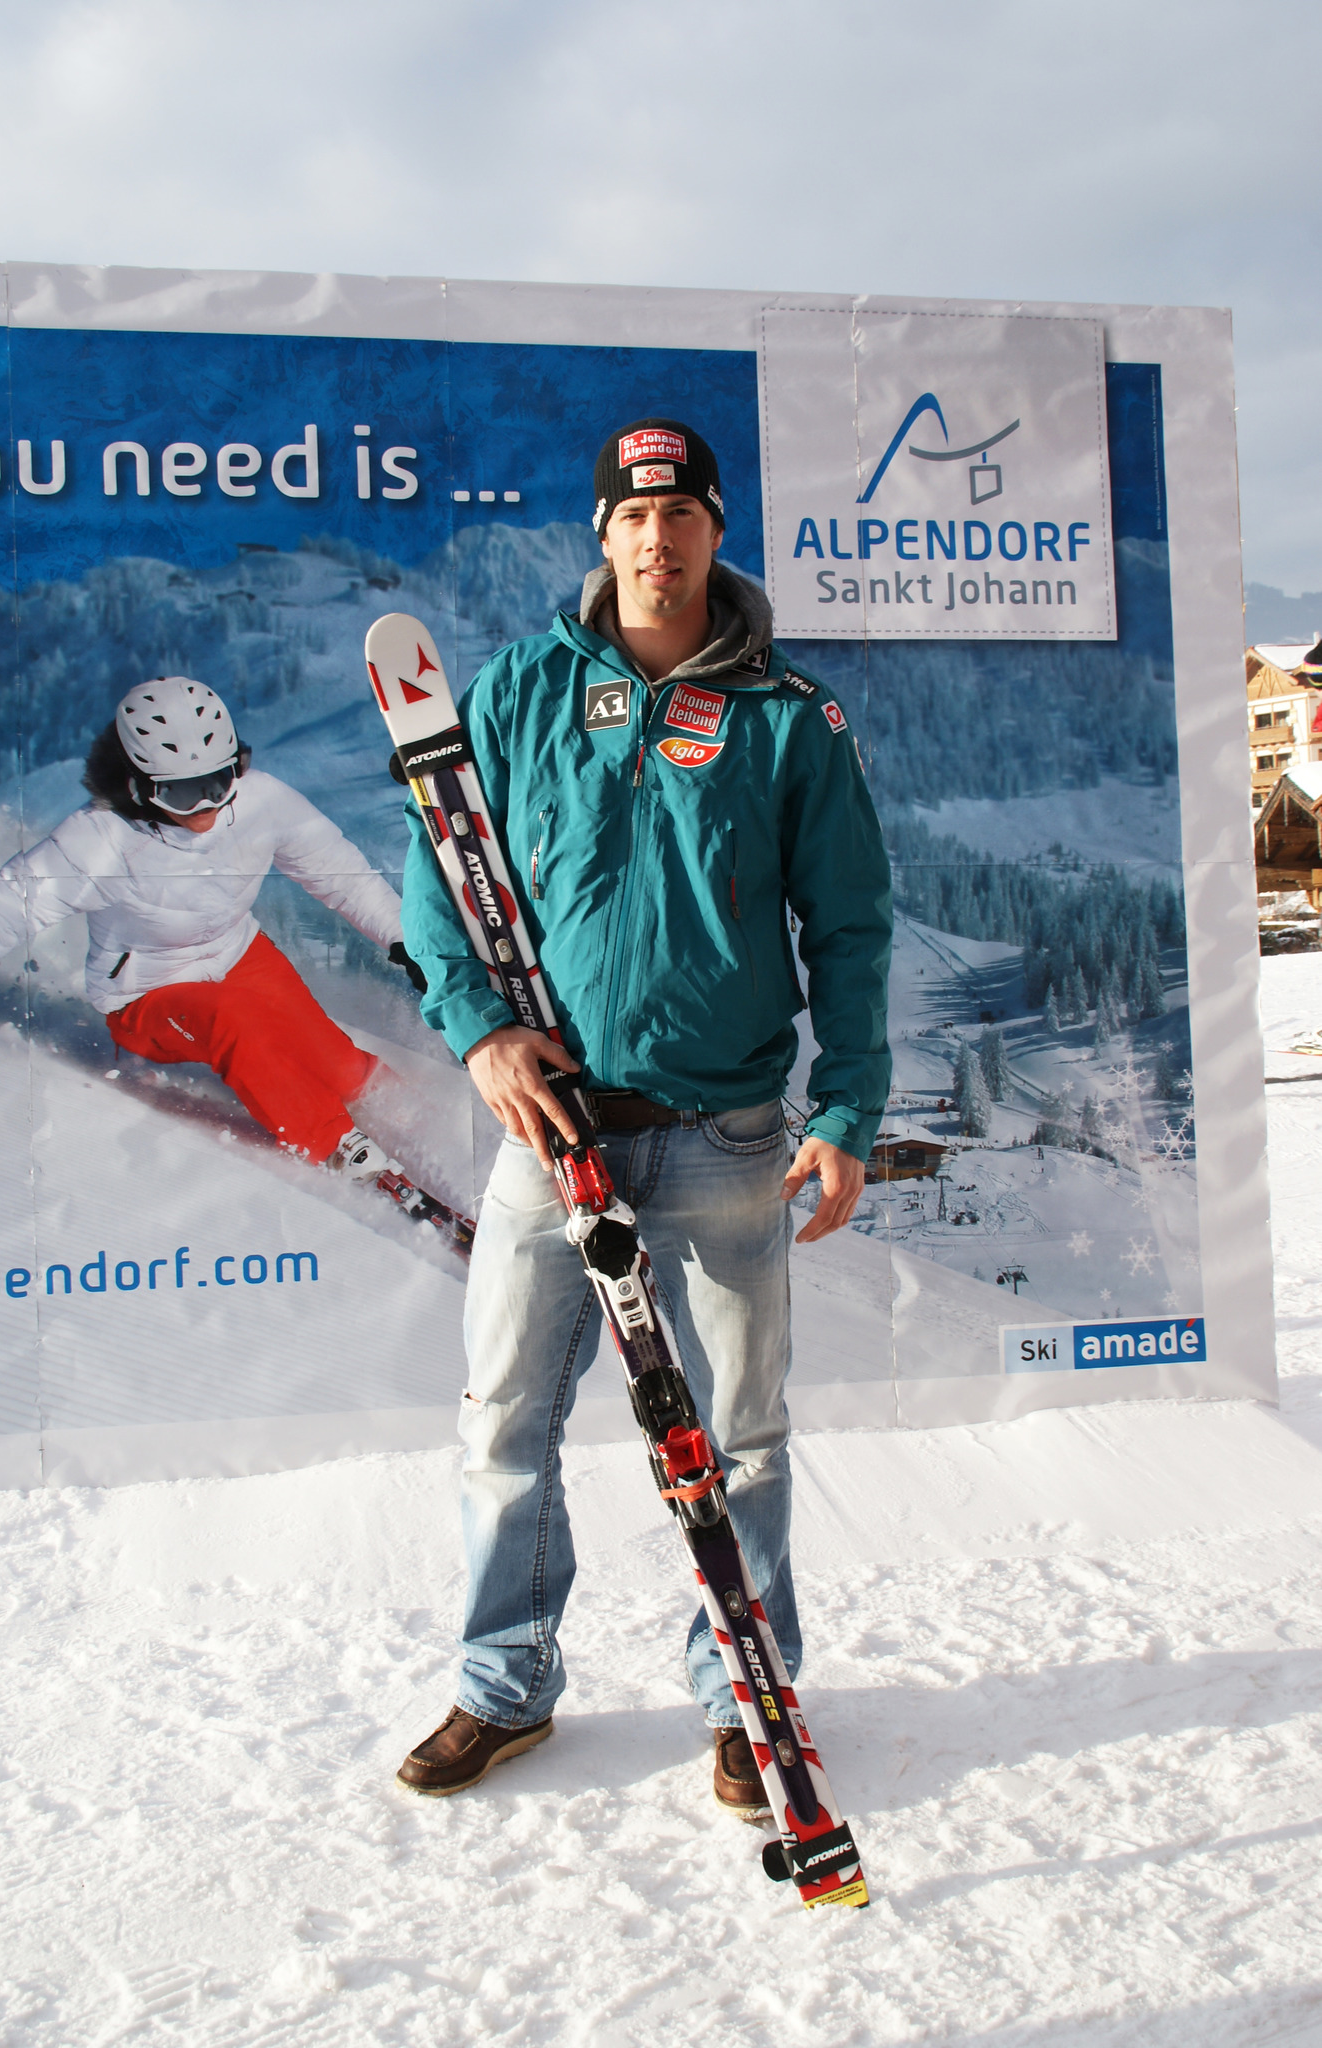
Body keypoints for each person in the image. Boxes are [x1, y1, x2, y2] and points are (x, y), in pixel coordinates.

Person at [396, 418, 892, 1811]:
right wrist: (481, 1030)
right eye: (633, 517)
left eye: (681, 519)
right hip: (550, 1132)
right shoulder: (519, 690)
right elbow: (442, 880)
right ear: (604, 534)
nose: (656, 542)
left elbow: (849, 927)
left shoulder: (785, 714)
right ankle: (502, 1684)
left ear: (713, 534)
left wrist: (846, 1103)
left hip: (723, 1132)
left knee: (737, 1436)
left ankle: (743, 1688)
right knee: (502, 1418)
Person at [0, 677, 421, 1181]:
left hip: (240, 957)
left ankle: (416, 1118)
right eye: (180, 794)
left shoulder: (261, 802)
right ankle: (338, 1148)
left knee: (337, 1064)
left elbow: (340, 873)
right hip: (147, 994)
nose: (204, 808)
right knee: (235, 1020)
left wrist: (402, 939)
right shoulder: (102, 840)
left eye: (216, 786)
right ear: (138, 787)